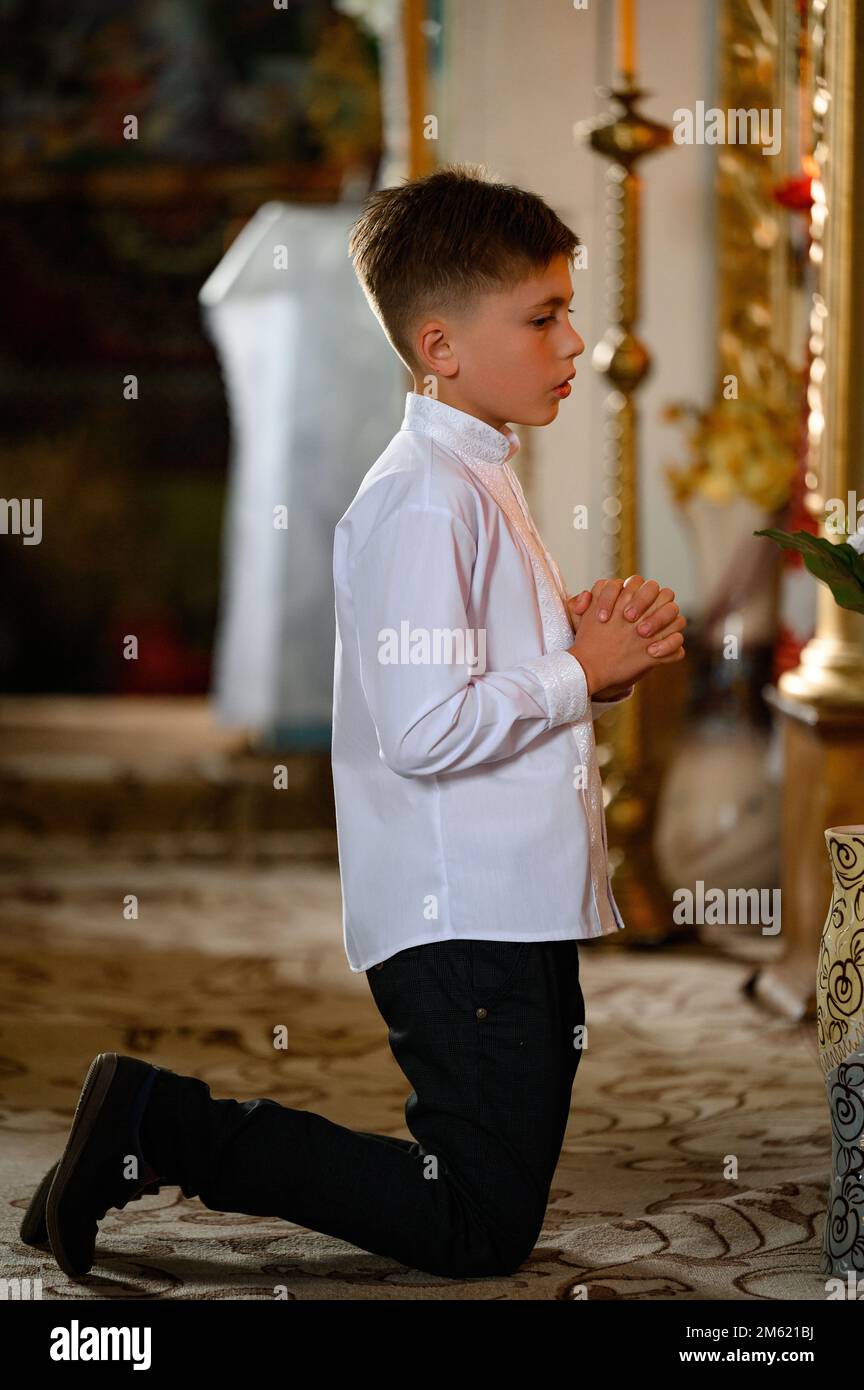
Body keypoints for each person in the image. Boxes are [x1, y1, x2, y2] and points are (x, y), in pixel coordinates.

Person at [22, 163, 686, 1282]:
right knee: (473, 1224)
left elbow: (457, 676)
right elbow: (422, 729)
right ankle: (160, 1123)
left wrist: (573, 649)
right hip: (463, 916)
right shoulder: (423, 497)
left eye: (567, 310)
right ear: (440, 346)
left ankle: (154, 1120)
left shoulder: (476, 475)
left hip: (504, 906)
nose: (574, 342)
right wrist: (575, 669)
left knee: (485, 1205)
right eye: (544, 315)